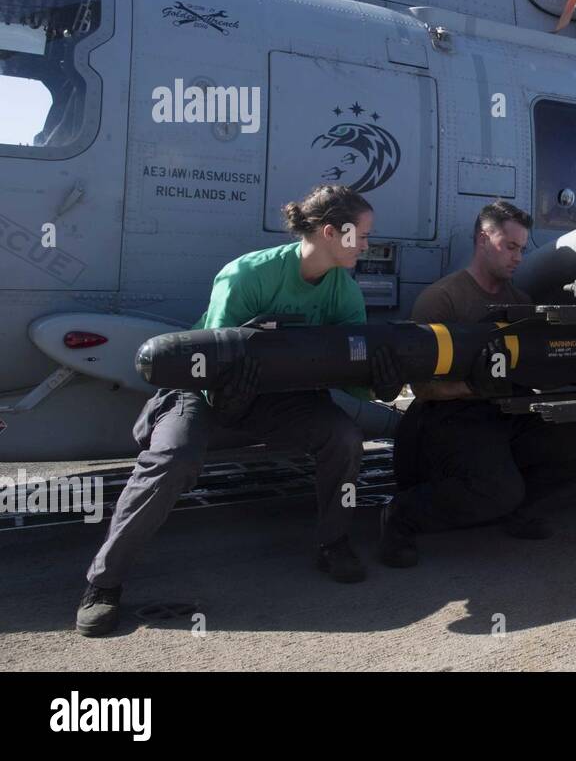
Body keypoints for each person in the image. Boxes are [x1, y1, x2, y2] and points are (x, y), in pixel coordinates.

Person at [76, 185, 402, 637]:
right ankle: (103, 584)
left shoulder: (342, 290)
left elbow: (346, 369)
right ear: (331, 232)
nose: (368, 245)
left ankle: (333, 541)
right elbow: (211, 359)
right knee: (172, 460)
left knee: (343, 439)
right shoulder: (247, 275)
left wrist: (375, 383)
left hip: (278, 397)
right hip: (202, 389)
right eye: (362, 235)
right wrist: (225, 396)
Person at [379, 200, 576, 566]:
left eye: (521, 249)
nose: (518, 258)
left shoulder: (521, 301)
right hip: (450, 418)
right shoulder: (442, 300)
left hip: (505, 412)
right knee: (498, 489)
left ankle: (510, 507)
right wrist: (476, 386)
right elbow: (421, 390)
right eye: (510, 247)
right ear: (484, 240)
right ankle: (402, 516)